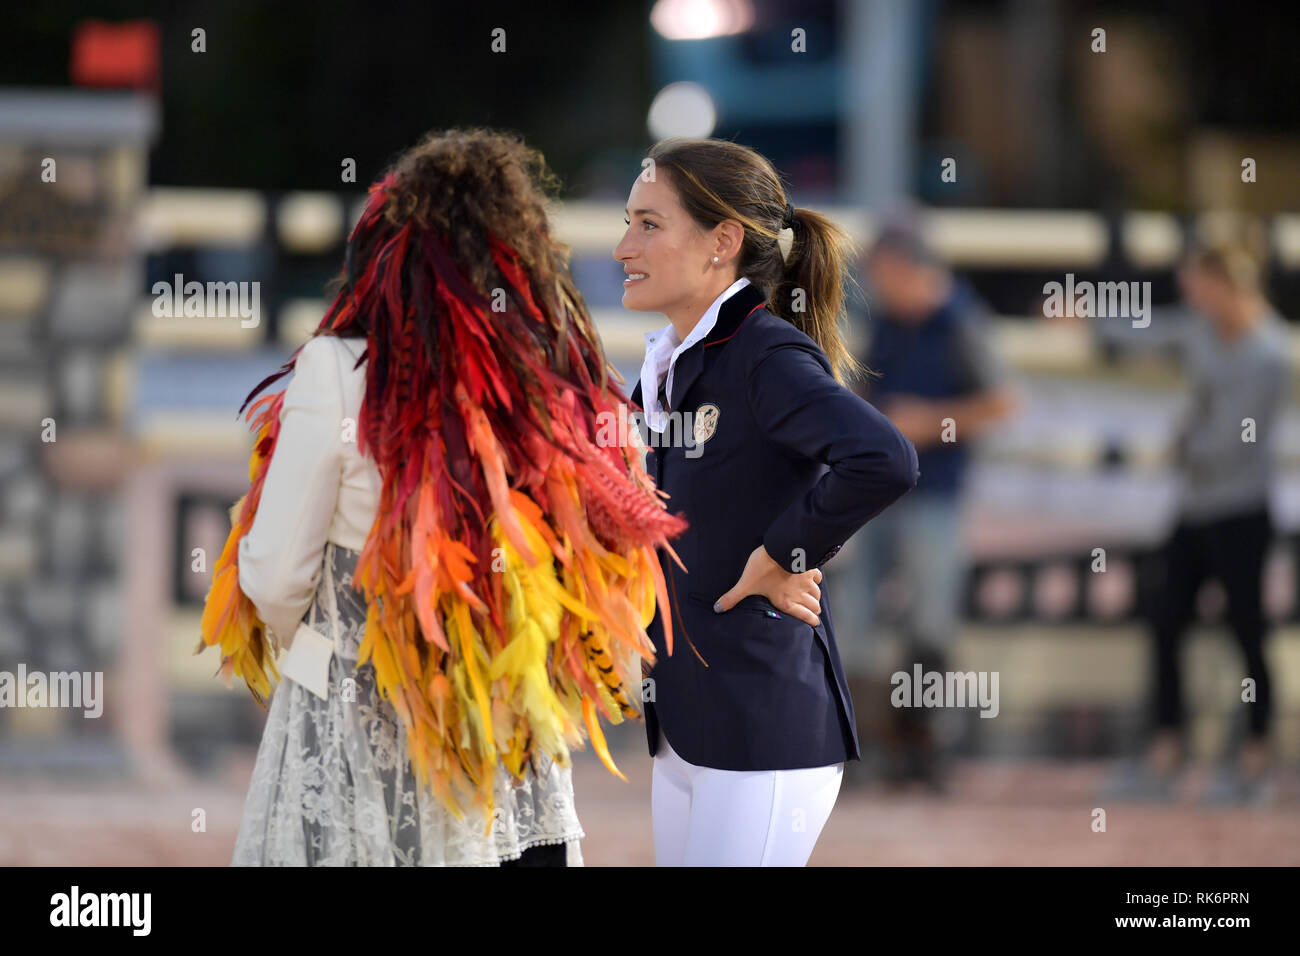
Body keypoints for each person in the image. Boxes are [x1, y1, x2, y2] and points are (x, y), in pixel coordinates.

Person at [198, 128, 686, 865]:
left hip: (363, 741)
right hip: (508, 745)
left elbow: (273, 577)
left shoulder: (336, 370)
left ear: (388, 250)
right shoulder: (558, 371)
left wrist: (313, 660)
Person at [615, 137, 920, 866]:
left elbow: (885, 458)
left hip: (762, 723)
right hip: (688, 723)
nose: (625, 244)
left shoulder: (764, 354)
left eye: (649, 224)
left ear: (723, 241)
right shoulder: (668, 365)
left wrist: (786, 551)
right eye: (629, 221)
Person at [1096, 239, 1290, 805]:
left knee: (1247, 630)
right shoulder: (1202, 330)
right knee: (1165, 618)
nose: (1191, 295)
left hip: (1241, 511)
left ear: (1224, 283)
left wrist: (1183, 445)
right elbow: (1147, 332)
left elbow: (1237, 439)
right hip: (1195, 509)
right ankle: (1168, 746)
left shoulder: (1268, 351)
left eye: (1198, 284)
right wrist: (1090, 314)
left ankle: (1256, 752)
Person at [840, 220, 1018, 791]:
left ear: (912, 268)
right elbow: (868, 387)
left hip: (934, 494)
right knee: (856, 616)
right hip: (879, 492)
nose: (880, 287)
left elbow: (1002, 402)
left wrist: (932, 423)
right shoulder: (886, 322)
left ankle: (922, 746)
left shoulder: (961, 322)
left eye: (886, 275)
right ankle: (859, 744)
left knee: (930, 622)